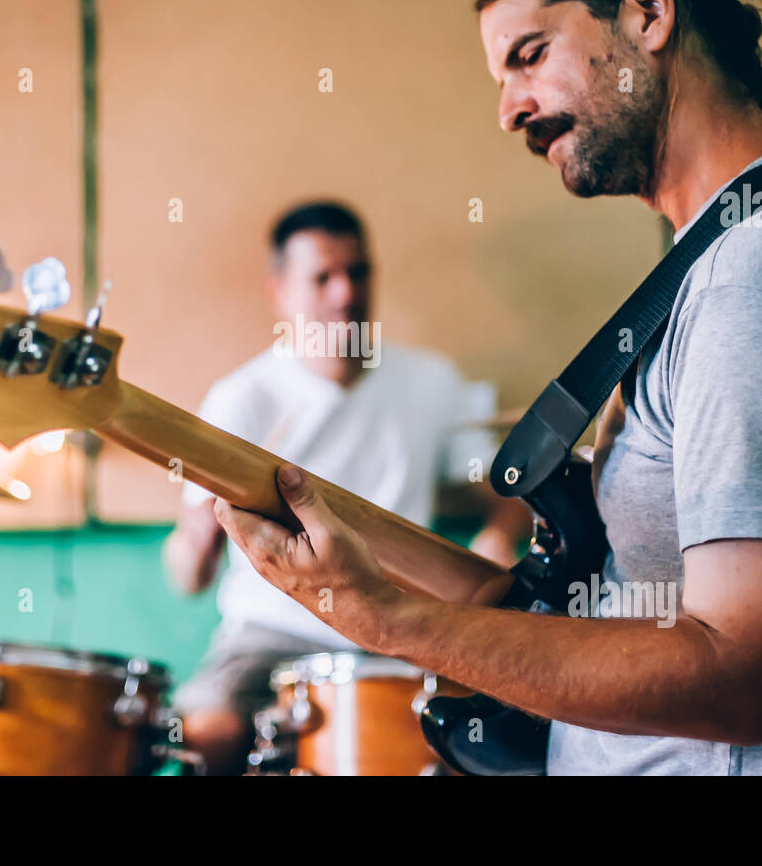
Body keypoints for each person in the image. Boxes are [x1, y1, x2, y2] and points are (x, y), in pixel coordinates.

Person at [213, 0, 762, 775]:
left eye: (529, 55)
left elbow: (742, 680)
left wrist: (385, 620)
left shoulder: (758, 281)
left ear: (647, 13)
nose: (507, 111)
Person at [164, 200, 530, 775]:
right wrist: (192, 551)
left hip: (398, 626)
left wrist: (498, 535)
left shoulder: (429, 382)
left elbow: (500, 494)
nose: (345, 293)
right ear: (279, 291)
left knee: (491, 731)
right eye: (323, 278)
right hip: (271, 630)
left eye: (358, 273)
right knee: (207, 730)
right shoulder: (242, 398)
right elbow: (189, 567)